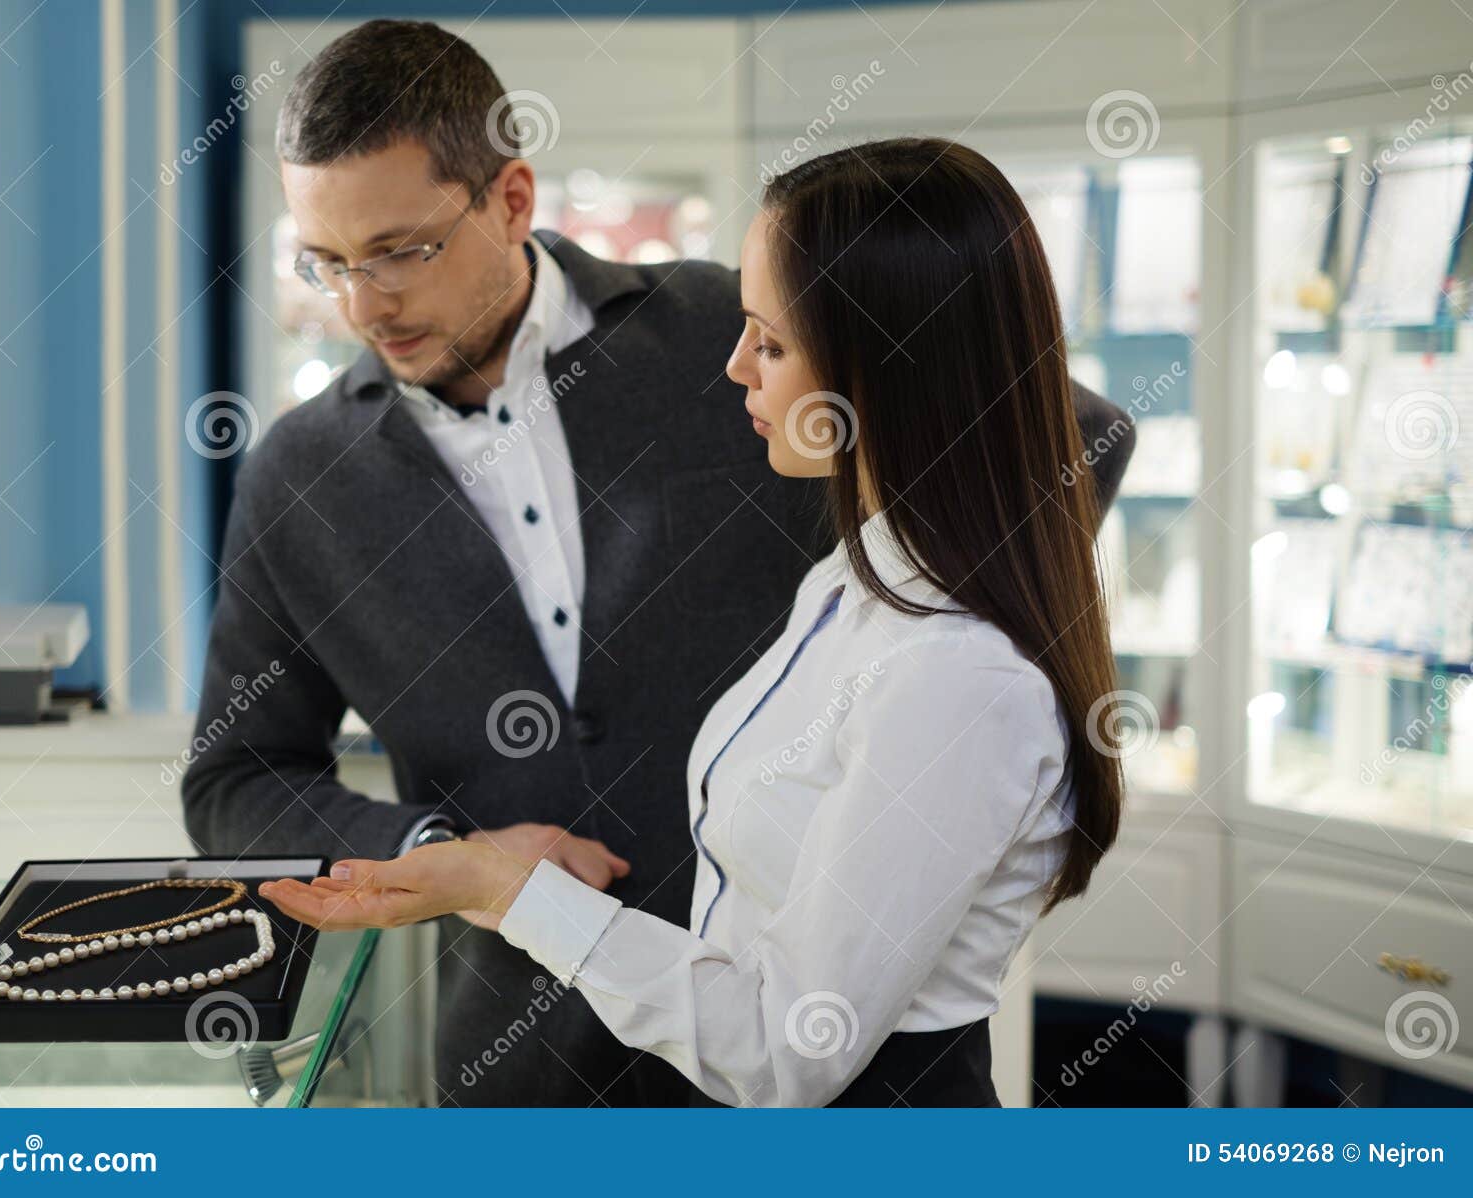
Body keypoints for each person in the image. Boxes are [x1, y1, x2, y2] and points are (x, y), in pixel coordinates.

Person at [186, 19, 1134, 1107]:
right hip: (525, 1058)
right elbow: (235, 777)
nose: (364, 305)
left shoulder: (719, 328)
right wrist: (451, 849)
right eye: (328, 263)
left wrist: (915, 685)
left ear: (509, 199)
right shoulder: (300, 476)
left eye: (400, 251)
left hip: (819, 1047)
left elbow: (1053, 432)